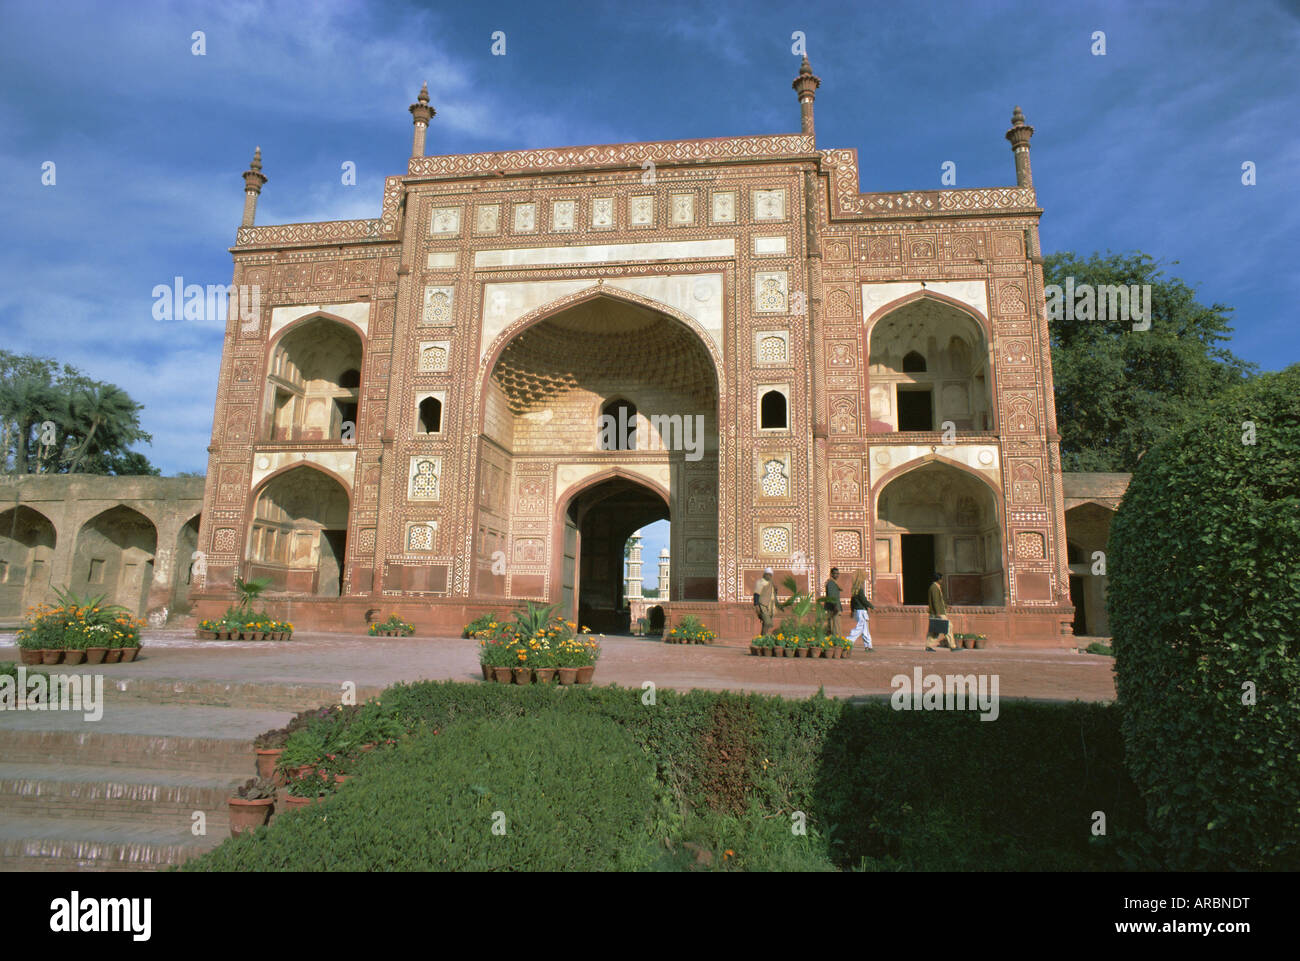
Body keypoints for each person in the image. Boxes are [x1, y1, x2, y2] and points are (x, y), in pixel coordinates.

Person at [846, 569, 874, 651]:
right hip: (862, 611)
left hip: (858, 611)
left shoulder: (855, 589)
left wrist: (852, 610)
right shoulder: (860, 589)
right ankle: (847, 641)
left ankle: (868, 646)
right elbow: (863, 600)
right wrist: (871, 606)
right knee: (859, 628)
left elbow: (852, 601)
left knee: (865, 629)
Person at [926, 572, 955, 651]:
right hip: (938, 613)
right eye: (941, 579)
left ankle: (928, 646)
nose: (942, 581)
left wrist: (945, 606)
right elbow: (935, 601)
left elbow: (939, 601)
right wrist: (938, 613)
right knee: (948, 627)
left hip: (936, 612)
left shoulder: (935, 587)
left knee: (934, 631)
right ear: (938, 579)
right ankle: (952, 646)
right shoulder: (934, 588)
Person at [754, 567, 776, 636]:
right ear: (765, 574)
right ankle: (763, 637)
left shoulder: (771, 583)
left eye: (770, 574)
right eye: (767, 574)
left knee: (767, 623)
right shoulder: (760, 582)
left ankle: (763, 638)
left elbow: (773, 595)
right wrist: (756, 605)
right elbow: (756, 594)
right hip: (762, 605)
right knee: (767, 622)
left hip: (770, 605)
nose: (769, 576)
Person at [823, 567, 842, 638]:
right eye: (835, 574)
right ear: (831, 574)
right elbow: (831, 596)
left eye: (838, 574)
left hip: (834, 607)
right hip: (833, 608)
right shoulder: (831, 583)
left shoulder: (833, 583)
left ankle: (834, 641)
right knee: (835, 627)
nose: (837, 575)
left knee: (834, 626)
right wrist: (835, 606)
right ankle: (836, 643)